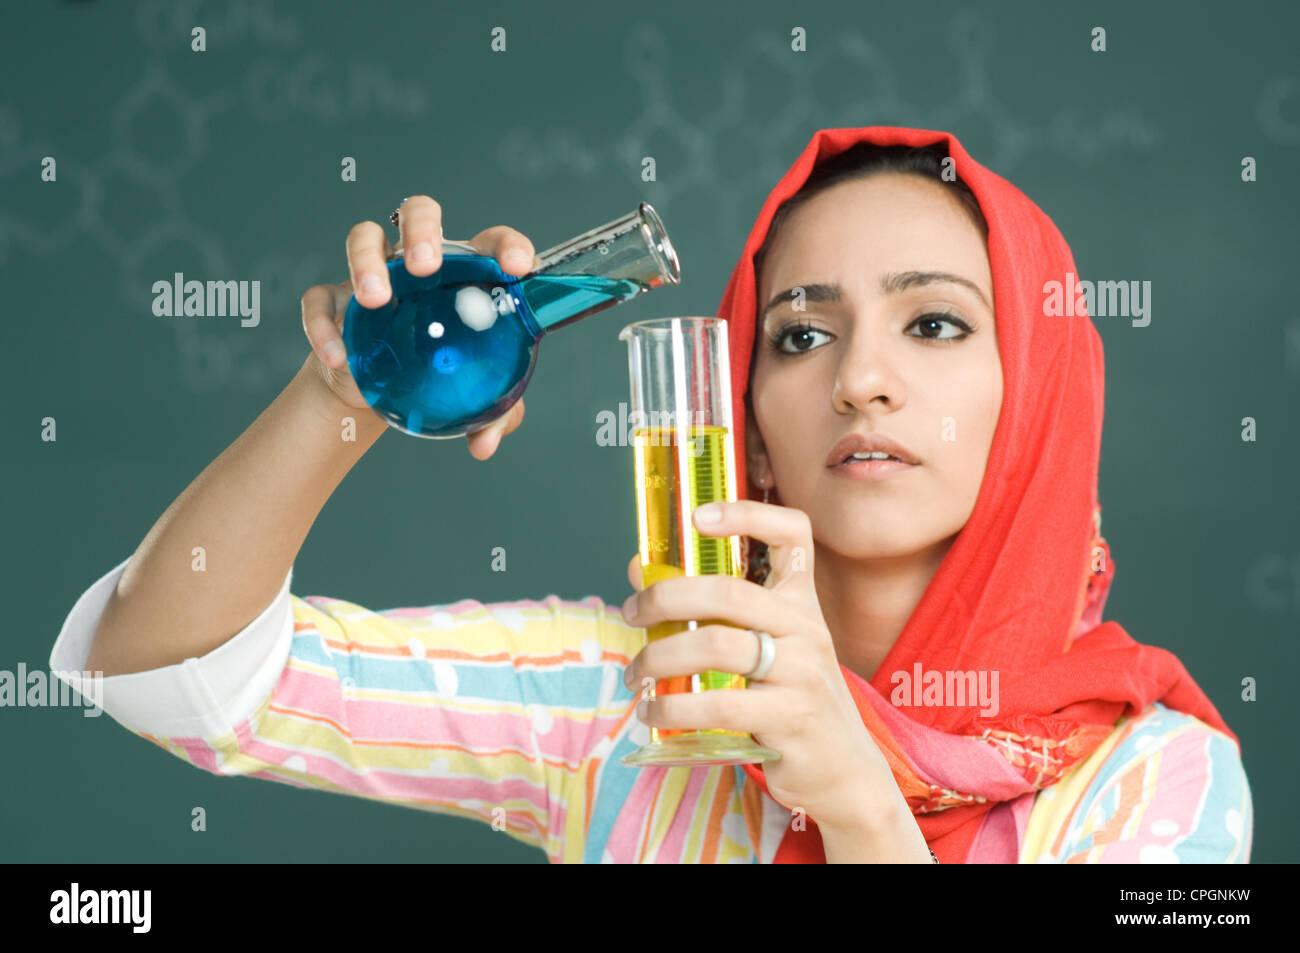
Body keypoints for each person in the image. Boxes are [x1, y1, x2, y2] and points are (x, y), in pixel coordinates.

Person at [51, 125, 1252, 863]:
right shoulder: (631, 700)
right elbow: (173, 673)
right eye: (798, 336)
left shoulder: (1157, 779)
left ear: (1039, 402)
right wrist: (347, 391)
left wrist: (859, 805)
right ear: (749, 426)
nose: (862, 381)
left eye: (933, 322)